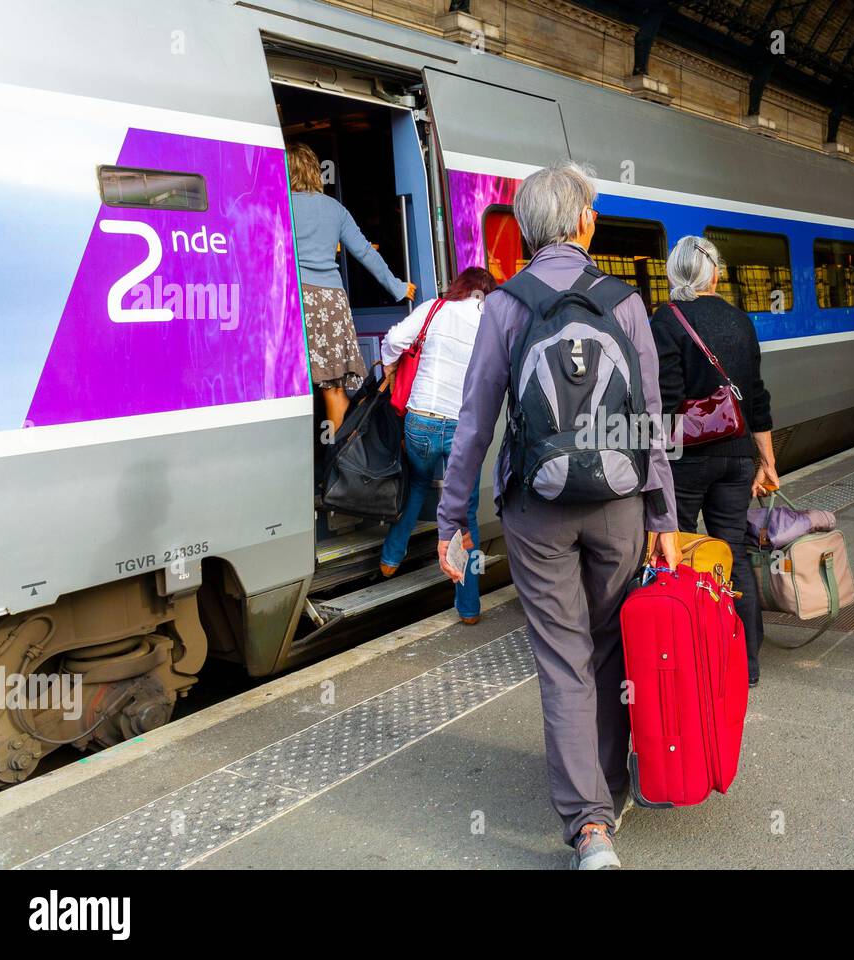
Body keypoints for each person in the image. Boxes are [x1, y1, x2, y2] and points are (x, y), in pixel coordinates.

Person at [435, 161, 680, 869]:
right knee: (609, 648)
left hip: (536, 508)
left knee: (562, 658)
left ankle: (589, 827)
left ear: (528, 231)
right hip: (617, 504)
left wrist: (452, 521)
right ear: (583, 223)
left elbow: (475, 424)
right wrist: (662, 517)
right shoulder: (626, 303)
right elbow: (651, 422)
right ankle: (613, 787)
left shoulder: (505, 306)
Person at [652, 235, 776, 687]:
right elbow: (756, 398)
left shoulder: (665, 320)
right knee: (733, 551)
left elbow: (663, 402)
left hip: (686, 457)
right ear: (715, 274)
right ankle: (745, 664)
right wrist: (767, 460)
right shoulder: (740, 321)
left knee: (678, 551)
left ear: (674, 275)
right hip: (738, 455)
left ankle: (686, 656)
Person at [378, 267, 497, 624]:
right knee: (465, 515)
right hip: (463, 427)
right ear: (485, 294)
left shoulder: (433, 308)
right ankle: (469, 607)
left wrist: (388, 369)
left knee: (416, 485)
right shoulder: (488, 322)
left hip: (421, 421)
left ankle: (390, 558)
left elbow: (393, 340)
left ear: (459, 288)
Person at [287, 142, 416, 429]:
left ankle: (324, 458)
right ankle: (339, 462)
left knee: (294, 386)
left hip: (296, 301)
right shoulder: (335, 209)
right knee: (333, 389)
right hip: (331, 303)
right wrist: (398, 287)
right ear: (314, 172)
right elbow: (365, 253)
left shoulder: (278, 205)